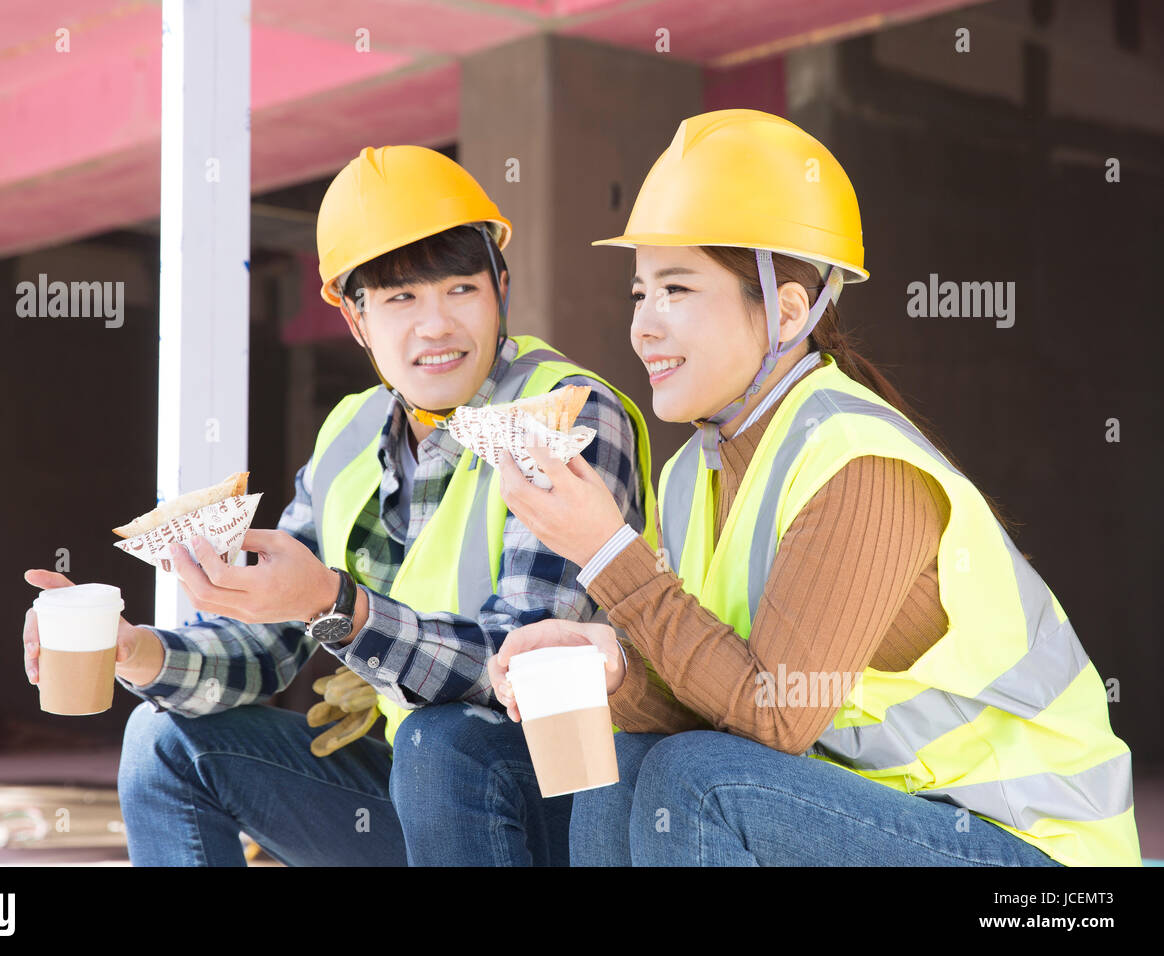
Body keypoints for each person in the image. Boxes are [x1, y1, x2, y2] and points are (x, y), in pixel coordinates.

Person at [489, 109, 1141, 867]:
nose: (644, 326)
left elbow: (772, 719)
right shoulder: (688, 475)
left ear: (787, 310)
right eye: (640, 293)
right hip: (883, 819)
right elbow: (713, 701)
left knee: (698, 782)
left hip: (1038, 864)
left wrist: (607, 553)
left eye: (677, 288)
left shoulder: (858, 463)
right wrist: (616, 672)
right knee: (623, 752)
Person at [20, 145, 656, 866]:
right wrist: (135, 651)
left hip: (569, 807)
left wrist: (337, 606)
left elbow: (526, 675)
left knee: (440, 737)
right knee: (164, 739)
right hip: (421, 796)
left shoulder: (565, 415)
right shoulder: (351, 434)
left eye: (460, 290)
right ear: (355, 320)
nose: (436, 325)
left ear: (500, 285)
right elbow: (264, 652)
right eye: (399, 299)